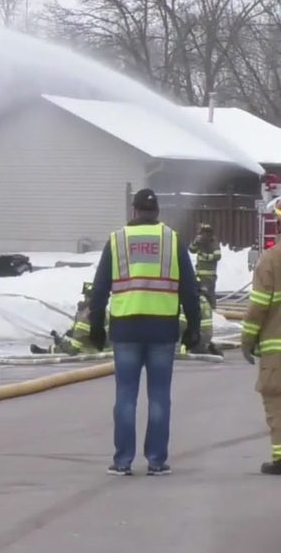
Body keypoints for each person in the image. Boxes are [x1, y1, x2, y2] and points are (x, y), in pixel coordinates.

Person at [90, 188, 202, 476]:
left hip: (125, 328)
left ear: (134, 210)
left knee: (125, 397)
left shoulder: (117, 240)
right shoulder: (172, 240)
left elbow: (100, 288)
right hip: (162, 329)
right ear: (157, 212)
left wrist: (95, 327)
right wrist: (194, 327)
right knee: (159, 397)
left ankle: (122, 461)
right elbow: (189, 289)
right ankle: (156, 461)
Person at [240, 199, 281, 474]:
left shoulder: (271, 260)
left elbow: (257, 307)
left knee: (276, 400)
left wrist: (247, 340)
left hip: (277, 349)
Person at [30, 282, 101, 355]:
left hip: (90, 348)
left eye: (87, 296)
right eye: (85, 296)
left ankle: (46, 352)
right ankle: (53, 347)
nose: (85, 298)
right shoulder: (85, 310)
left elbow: (82, 332)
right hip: (86, 343)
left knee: (65, 347)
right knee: (65, 344)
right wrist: (71, 331)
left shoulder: (91, 312)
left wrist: (73, 347)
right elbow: (78, 325)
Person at [189, 222, 221, 309]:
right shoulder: (200, 242)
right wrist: (195, 242)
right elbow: (191, 250)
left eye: (204, 233)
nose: (202, 236)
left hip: (209, 276)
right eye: (201, 233)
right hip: (199, 275)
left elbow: (217, 256)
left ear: (209, 234)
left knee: (208, 295)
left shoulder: (213, 243)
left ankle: (212, 310)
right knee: (199, 296)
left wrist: (205, 255)